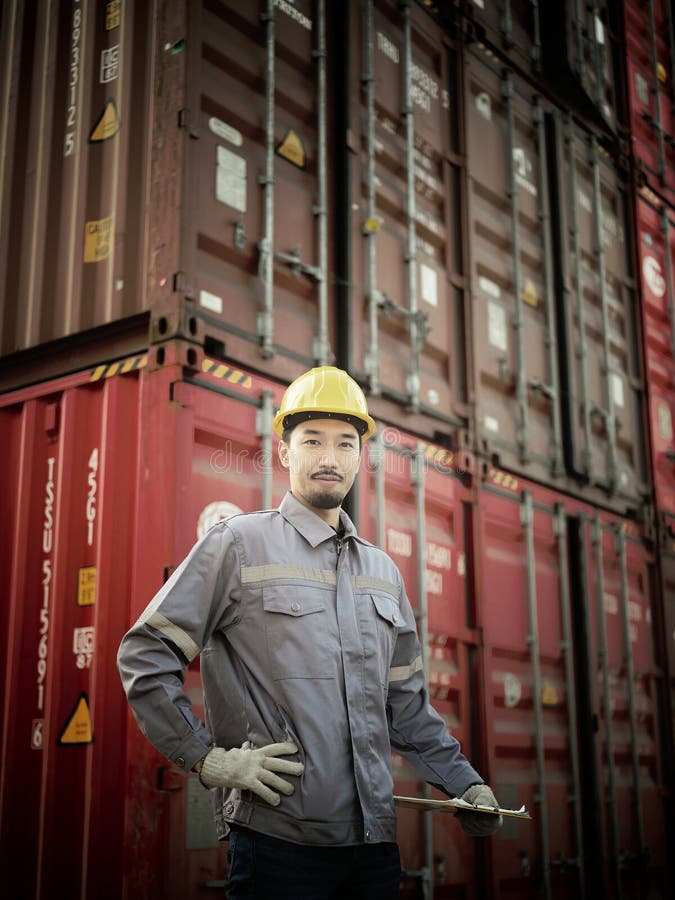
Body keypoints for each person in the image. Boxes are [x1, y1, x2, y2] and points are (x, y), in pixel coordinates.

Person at [117, 366, 502, 900]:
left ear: (359, 458)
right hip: (277, 848)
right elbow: (145, 651)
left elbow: (407, 709)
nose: (329, 458)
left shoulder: (383, 574)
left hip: (374, 851)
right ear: (284, 452)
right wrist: (206, 759)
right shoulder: (238, 545)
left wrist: (466, 783)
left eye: (346, 443)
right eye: (313, 440)